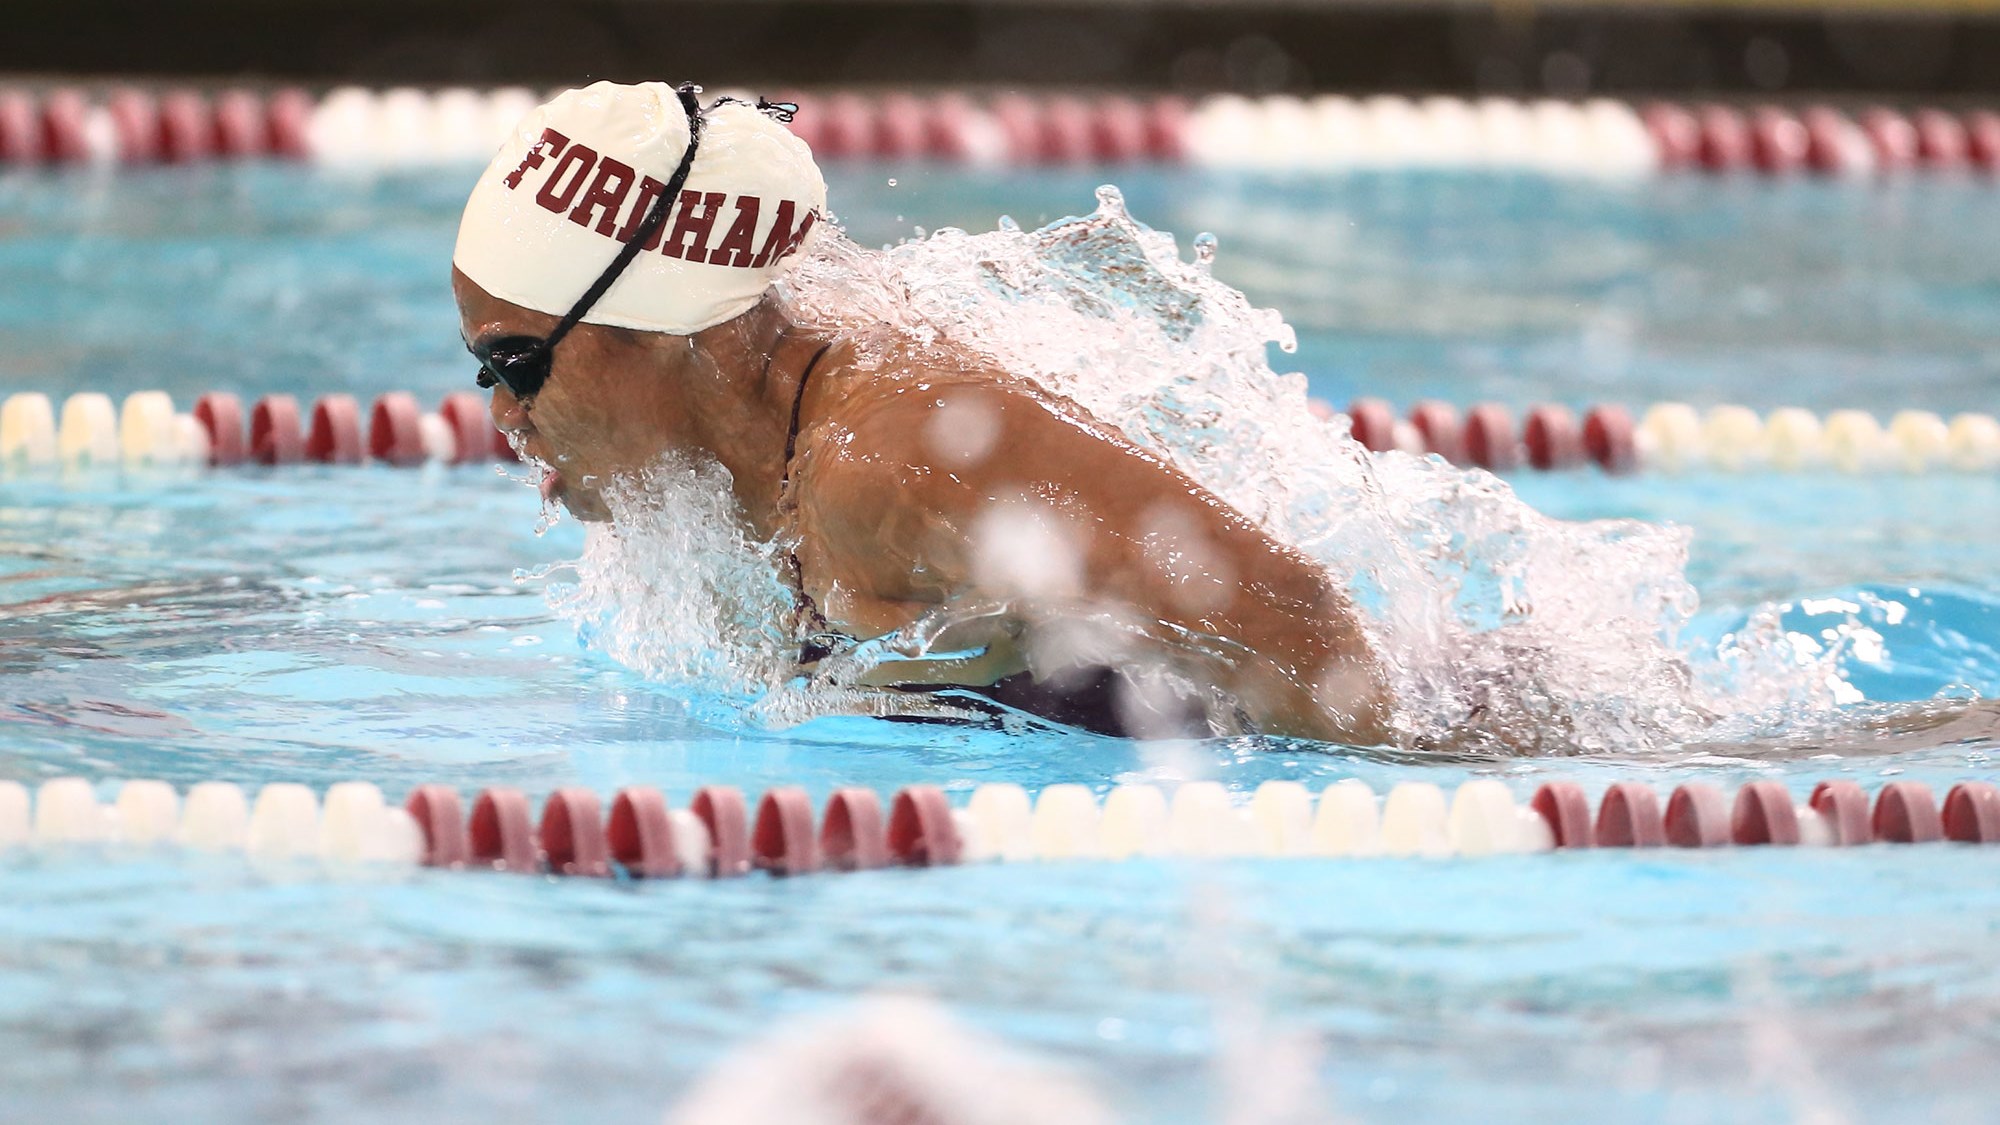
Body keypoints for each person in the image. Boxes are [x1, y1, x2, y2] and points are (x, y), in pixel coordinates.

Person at [453, 80, 1388, 743]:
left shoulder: (891, 455)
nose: (501, 413)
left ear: (653, 325)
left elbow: (1302, 626)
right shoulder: (743, 458)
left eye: (516, 362)